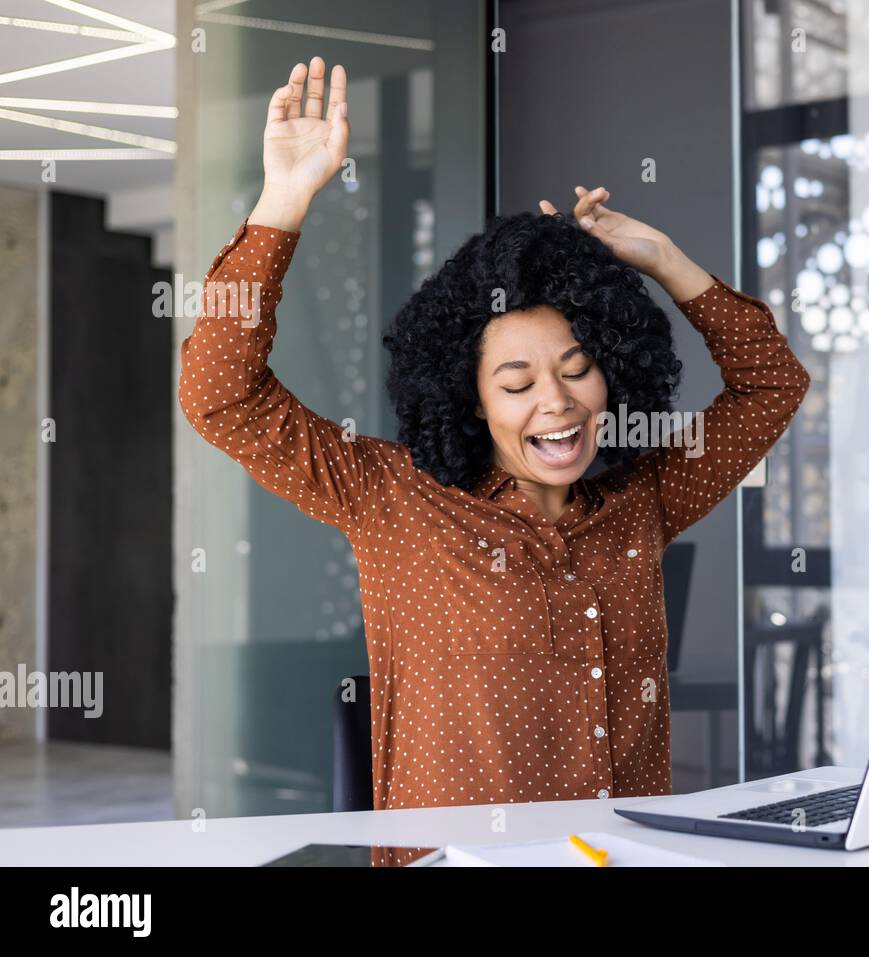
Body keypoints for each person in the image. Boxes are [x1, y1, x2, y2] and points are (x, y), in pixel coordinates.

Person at [179, 57, 810, 818]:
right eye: (516, 384)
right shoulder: (392, 500)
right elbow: (220, 394)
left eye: (578, 369)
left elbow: (772, 383)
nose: (557, 403)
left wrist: (665, 262)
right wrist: (283, 200)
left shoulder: (641, 499)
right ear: (471, 400)